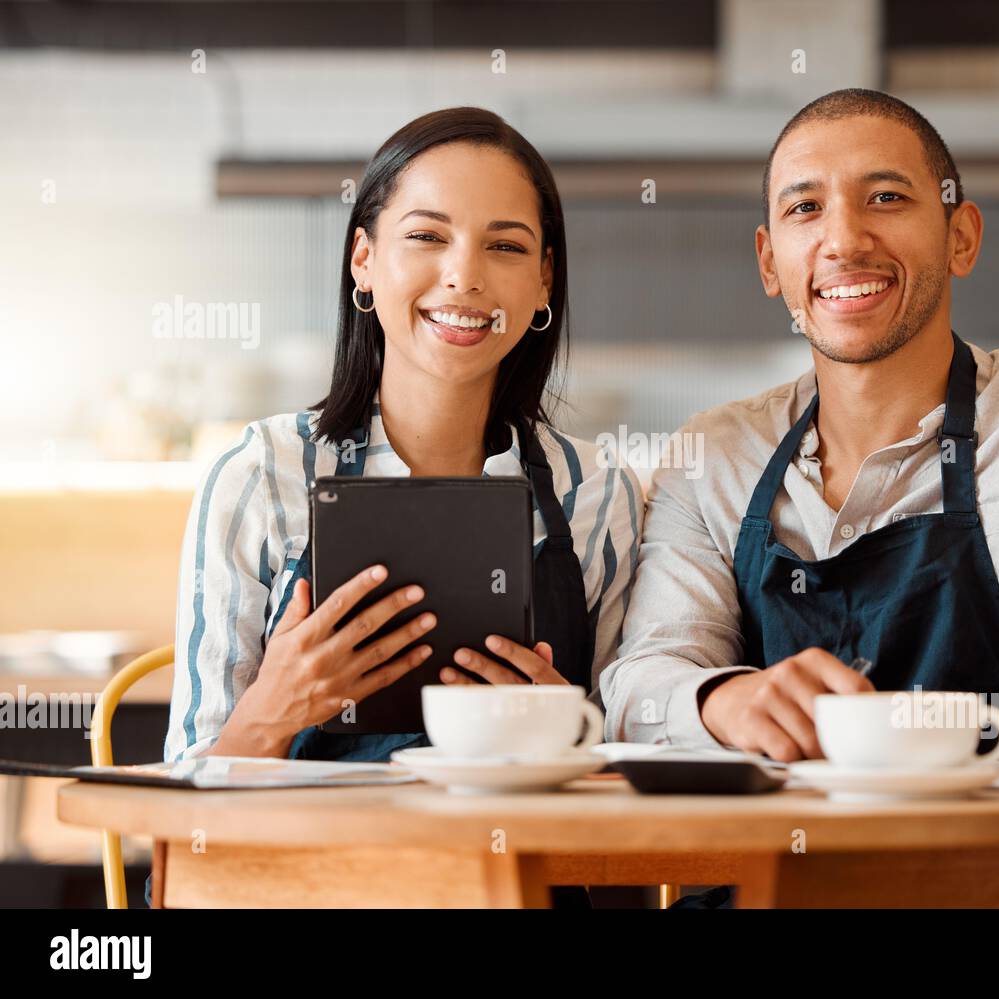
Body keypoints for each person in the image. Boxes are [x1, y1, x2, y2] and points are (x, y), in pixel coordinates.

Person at [599, 89, 999, 909]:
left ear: (961, 237)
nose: (844, 239)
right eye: (805, 208)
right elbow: (643, 686)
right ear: (769, 260)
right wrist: (721, 700)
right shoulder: (710, 456)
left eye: (886, 197)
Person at [155, 108, 642, 907]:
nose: (465, 274)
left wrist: (569, 741)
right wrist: (275, 710)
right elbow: (179, 829)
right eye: (427, 236)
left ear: (544, 280)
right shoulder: (263, 476)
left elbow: (629, 822)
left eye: (506, 245)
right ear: (364, 258)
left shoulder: (600, 498)